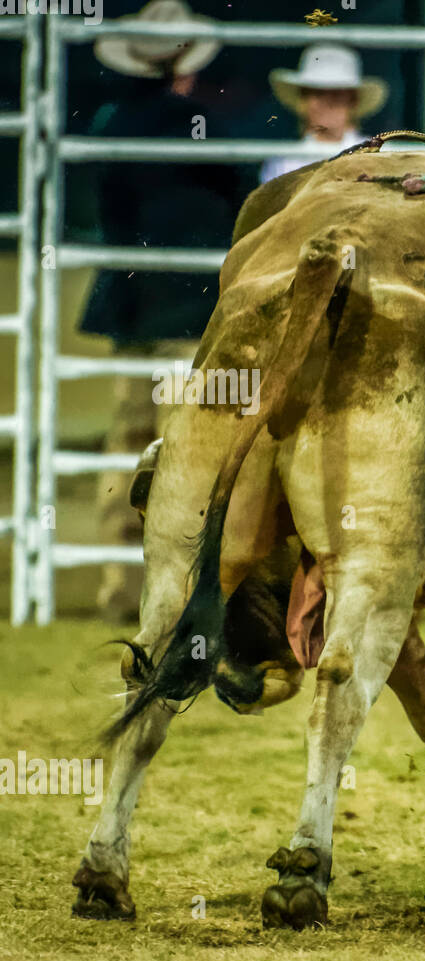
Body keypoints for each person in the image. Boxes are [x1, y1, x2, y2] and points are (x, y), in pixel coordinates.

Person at [81, 0, 244, 622]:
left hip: (130, 311)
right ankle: (176, 597)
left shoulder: (109, 122)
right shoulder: (204, 126)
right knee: (184, 454)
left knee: (126, 446)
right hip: (188, 311)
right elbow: (235, 198)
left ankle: (119, 592)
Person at [259, 45, 389, 184]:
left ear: (353, 101)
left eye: (337, 94)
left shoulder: (383, 155)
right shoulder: (282, 162)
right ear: (304, 101)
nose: (327, 103)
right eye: (318, 94)